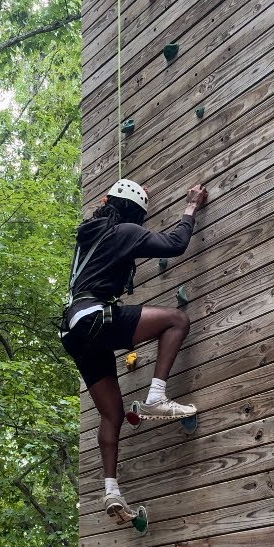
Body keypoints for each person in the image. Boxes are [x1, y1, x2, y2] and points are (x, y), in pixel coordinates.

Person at [59, 178, 208, 524]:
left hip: (73, 331)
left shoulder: (90, 234)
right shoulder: (123, 231)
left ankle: (111, 489)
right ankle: (157, 395)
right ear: (135, 215)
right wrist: (190, 207)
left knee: (112, 415)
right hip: (94, 317)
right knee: (176, 320)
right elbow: (175, 244)